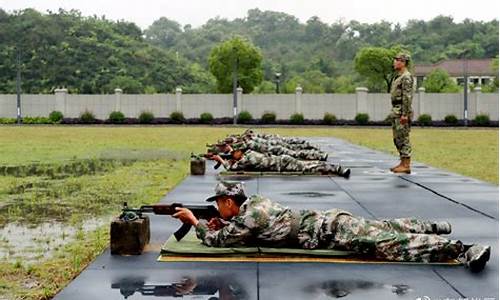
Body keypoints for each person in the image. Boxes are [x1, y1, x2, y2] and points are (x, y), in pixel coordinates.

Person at [173, 182, 491, 273]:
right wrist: (216, 221)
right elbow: (235, 228)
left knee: (391, 243)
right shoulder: (256, 203)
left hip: (334, 231)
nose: (217, 207)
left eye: (219, 203)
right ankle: (434, 225)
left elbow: (220, 241)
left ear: (230, 201)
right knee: (382, 227)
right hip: (332, 221)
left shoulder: (249, 217)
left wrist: (195, 223)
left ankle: (463, 250)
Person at [207, 147, 350, 178]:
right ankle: (335, 168)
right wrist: (229, 155)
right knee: (311, 164)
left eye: (234, 152)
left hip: (284, 164)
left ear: (241, 152)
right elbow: (236, 160)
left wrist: (220, 159)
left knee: (312, 167)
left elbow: (232, 168)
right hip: (283, 161)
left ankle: (337, 169)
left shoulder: (248, 158)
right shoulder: (249, 154)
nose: (233, 154)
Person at [389, 53, 414, 174]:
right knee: (397, 138)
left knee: (403, 138)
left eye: (397, 60)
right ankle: (402, 162)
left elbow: (407, 97)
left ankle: (406, 165)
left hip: (401, 112)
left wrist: (405, 114)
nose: (394, 62)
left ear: (403, 62)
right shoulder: (398, 76)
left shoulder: (406, 77)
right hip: (396, 111)